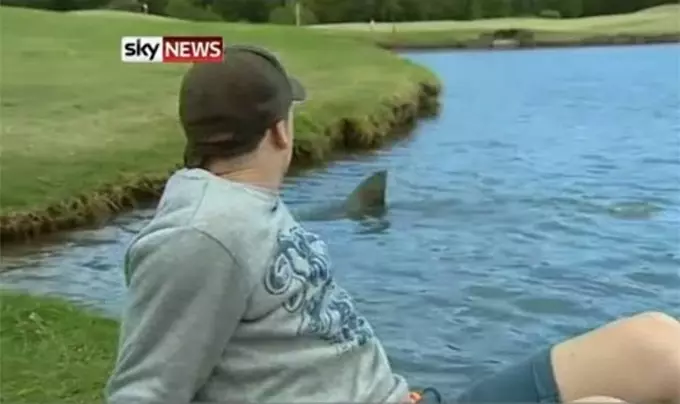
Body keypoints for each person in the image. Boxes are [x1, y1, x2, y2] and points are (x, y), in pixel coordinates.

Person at [105, 44, 680, 404]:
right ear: (281, 130)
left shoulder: (246, 204)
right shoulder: (200, 235)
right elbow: (144, 391)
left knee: (655, 342)